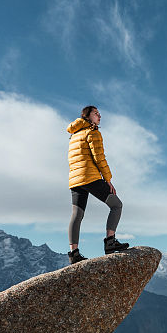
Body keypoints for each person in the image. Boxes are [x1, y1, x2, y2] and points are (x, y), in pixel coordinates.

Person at [67, 105, 130, 263]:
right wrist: (108, 179)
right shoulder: (92, 132)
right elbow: (99, 158)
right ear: (87, 116)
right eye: (96, 114)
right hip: (90, 177)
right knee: (117, 205)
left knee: (77, 215)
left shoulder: (74, 136)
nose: (99, 116)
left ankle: (73, 254)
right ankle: (110, 241)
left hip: (75, 180)